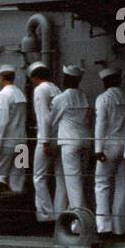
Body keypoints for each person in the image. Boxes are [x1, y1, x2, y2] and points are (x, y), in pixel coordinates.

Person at [92, 68, 125, 235]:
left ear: (105, 82)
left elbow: (100, 124)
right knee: (122, 185)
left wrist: (98, 149)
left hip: (109, 146)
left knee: (102, 184)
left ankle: (104, 226)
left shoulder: (103, 98)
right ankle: (120, 227)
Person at [47, 65, 91, 212]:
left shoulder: (61, 98)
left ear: (65, 79)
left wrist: (46, 141)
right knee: (81, 182)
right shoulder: (84, 96)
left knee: (73, 183)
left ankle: (78, 222)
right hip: (86, 141)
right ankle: (68, 215)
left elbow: (50, 120)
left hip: (69, 143)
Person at [28, 62, 66, 221]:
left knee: (39, 177)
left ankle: (46, 214)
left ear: (35, 77)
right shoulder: (56, 89)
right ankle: (60, 213)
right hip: (60, 137)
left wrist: (44, 141)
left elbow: (43, 116)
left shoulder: (40, 89)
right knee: (60, 177)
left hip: (47, 138)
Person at [0, 65, 28, 193]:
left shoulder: (3, 95)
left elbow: (2, 122)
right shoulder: (20, 94)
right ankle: (16, 210)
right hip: (22, 144)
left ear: (1, 77)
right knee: (18, 180)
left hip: (7, 144)